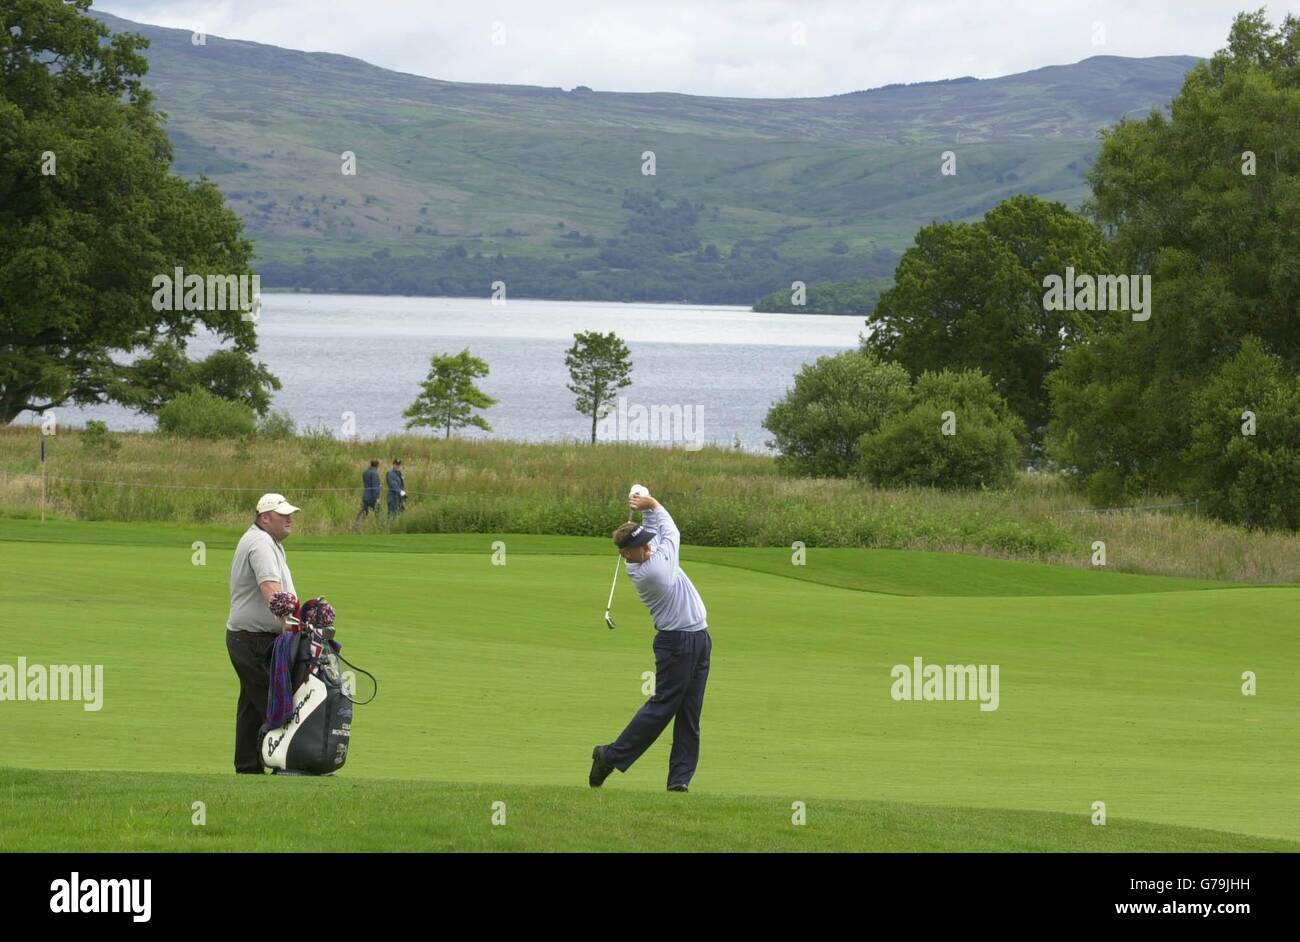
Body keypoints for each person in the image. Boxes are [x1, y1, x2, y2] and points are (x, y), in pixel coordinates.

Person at [590, 489, 712, 792]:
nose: (645, 548)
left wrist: (640, 499)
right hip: (677, 644)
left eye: (644, 543)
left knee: (690, 713)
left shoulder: (646, 547)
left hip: (699, 637)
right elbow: (672, 531)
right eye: (638, 547)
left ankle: (679, 781)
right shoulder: (653, 571)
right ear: (625, 554)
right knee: (663, 708)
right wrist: (653, 503)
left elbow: (654, 529)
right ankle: (608, 756)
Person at [226, 492, 299, 774]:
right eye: (284, 515)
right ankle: (286, 763)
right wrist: (287, 621)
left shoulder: (269, 542)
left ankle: (247, 767)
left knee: (251, 706)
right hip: (252, 640)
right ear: (265, 518)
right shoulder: (260, 544)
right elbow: (270, 589)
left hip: (249, 638)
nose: (290, 519)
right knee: (274, 702)